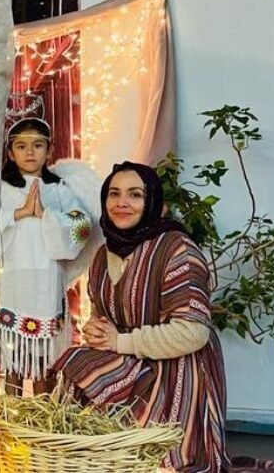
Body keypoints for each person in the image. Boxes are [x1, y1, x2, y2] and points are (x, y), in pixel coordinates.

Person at [53, 162, 229, 473]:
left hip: (177, 366)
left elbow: (193, 332)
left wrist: (120, 340)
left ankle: (149, 443)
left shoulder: (177, 249)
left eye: (135, 195)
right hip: (131, 359)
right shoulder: (101, 256)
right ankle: (101, 448)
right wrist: (98, 330)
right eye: (114, 194)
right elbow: (103, 318)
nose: (122, 203)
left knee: (156, 462)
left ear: (154, 205)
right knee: (75, 360)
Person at [0, 118, 95, 396]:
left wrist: (46, 215)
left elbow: (83, 225)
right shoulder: (1, 189)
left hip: (47, 279)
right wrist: (20, 213)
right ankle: (11, 411)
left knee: (44, 358)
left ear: (49, 150)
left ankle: (42, 410)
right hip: (13, 280)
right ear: (10, 152)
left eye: (37, 145)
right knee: (13, 357)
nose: (30, 153)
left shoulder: (59, 190)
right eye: (22, 146)